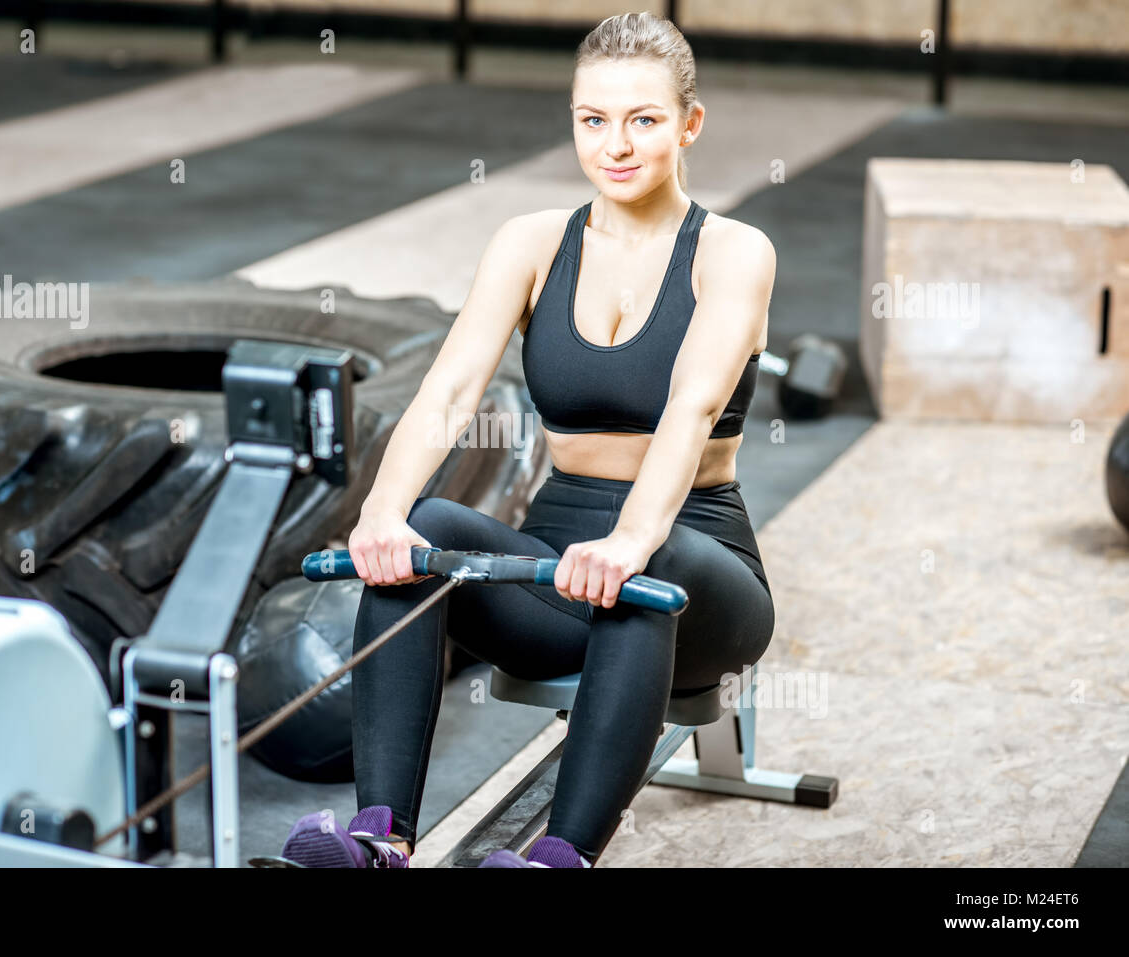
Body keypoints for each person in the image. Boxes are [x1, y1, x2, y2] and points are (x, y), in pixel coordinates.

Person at [281, 10, 776, 869]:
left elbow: (691, 410)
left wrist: (627, 539)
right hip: (555, 577)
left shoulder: (733, 252)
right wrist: (383, 515)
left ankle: (560, 856)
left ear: (689, 124)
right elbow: (450, 390)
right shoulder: (533, 243)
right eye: (594, 120)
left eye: (643, 120)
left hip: (697, 574)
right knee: (425, 528)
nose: (615, 145)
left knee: (646, 568)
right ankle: (380, 836)